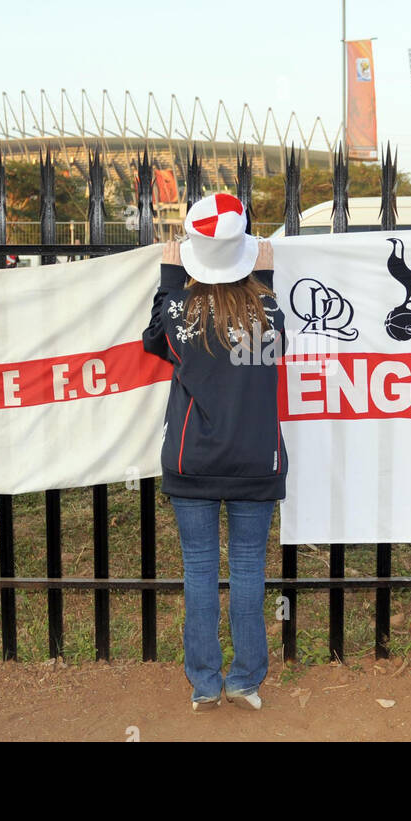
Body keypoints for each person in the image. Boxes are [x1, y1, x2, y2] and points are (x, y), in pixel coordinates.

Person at [142, 192, 286, 712]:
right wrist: (265, 280)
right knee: (249, 569)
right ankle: (246, 679)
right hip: (257, 460)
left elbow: (155, 339)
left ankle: (205, 682)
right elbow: (271, 345)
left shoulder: (178, 307)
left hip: (192, 461)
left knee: (199, 570)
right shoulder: (269, 309)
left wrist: (168, 276)